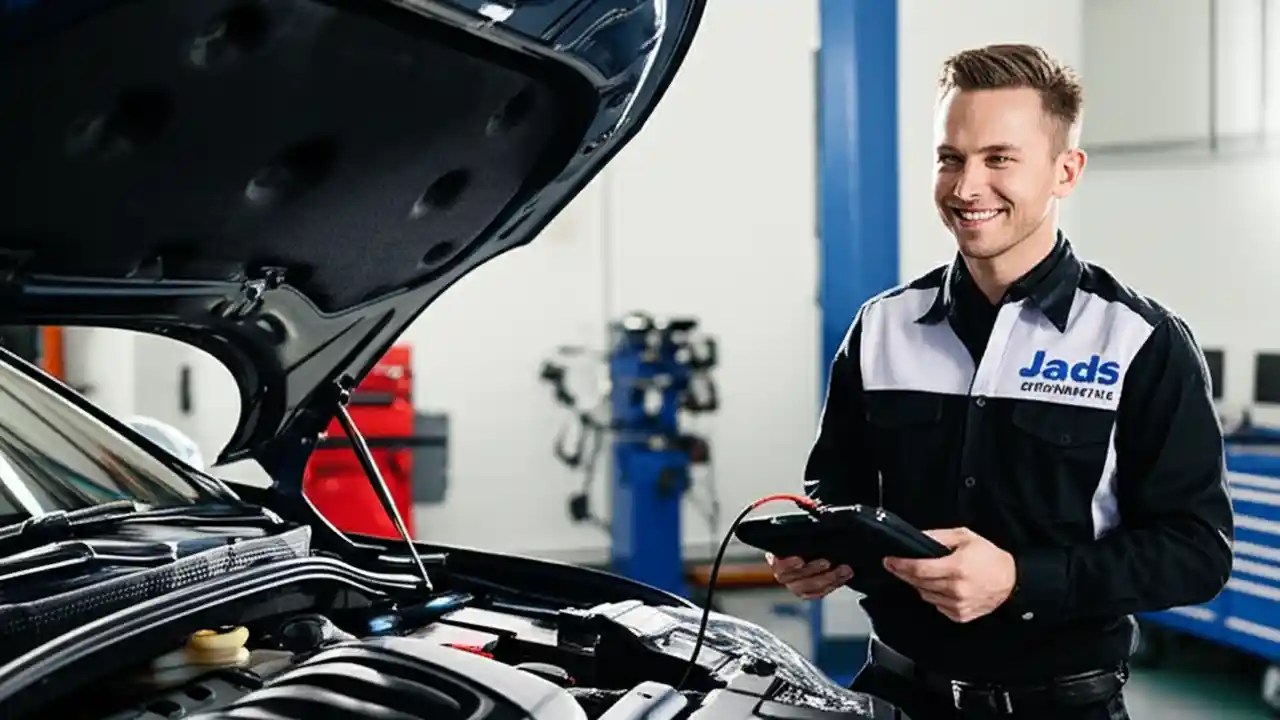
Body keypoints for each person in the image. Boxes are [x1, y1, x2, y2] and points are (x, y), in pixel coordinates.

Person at [768, 43, 1234, 719]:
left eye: (999, 159)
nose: (966, 187)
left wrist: (1021, 579)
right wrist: (823, 553)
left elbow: (1196, 553)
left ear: (1065, 171)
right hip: (895, 694)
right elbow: (837, 491)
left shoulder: (1141, 344)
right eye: (950, 158)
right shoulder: (882, 329)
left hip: (1062, 706)